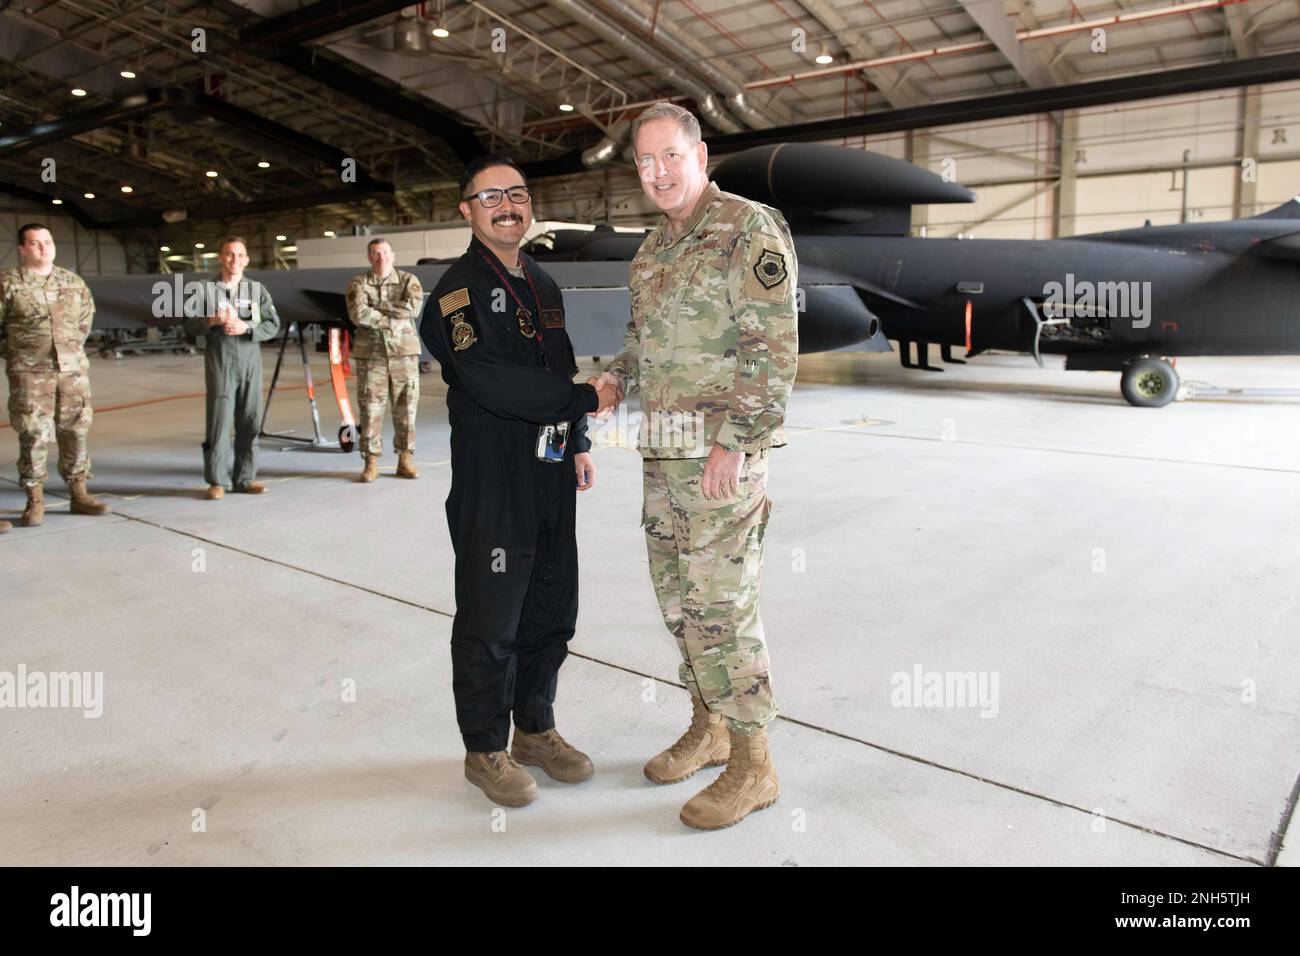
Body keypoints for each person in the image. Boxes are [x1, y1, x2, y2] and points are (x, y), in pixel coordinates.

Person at [590, 102, 799, 829]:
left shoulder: (748, 228)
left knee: (722, 609)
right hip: (663, 455)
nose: (657, 173)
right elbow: (642, 346)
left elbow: (773, 346)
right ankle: (709, 727)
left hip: (720, 458)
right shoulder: (652, 252)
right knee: (680, 603)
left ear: (699, 154)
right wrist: (613, 380)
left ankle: (754, 765)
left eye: (669, 156)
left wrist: (736, 442)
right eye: (645, 162)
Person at [421, 153, 619, 808]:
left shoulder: (543, 283)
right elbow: (495, 382)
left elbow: (554, 370)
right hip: (494, 477)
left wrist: (578, 442)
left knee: (551, 607)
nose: (508, 205)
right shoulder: (455, 295)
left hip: (550, 466)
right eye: (491, 196)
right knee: (491, 614)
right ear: (467, 211)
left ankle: (535, 728)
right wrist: (587, 401)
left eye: (518, 193)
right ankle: (485, 748)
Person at [0, 223, 110, 526]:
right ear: (22, 249)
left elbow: (85, 321)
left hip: (72, 370)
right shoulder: (8, 283)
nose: (43, 248)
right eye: (35, 243)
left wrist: (69, 350)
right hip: (29, 372)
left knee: (75, 429)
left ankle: (79, 493)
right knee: (34, 432)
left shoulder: (72, 282)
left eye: (47, 241)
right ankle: (35, 500)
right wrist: (20, 354)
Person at [182, 236, 281, 499]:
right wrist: (210, 320)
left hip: (250, 360)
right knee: (219, 421)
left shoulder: (257, 291)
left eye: (239, 255)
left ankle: (245, 479)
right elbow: (188, 326)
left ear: (246, 260)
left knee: (250, 419)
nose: (234, 260)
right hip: (220, 361)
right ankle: (217, 481)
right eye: (229, 254)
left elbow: (272, 324)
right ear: (220, 257)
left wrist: (247, 327)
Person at [344, 238, 424, 482]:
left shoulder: (408, 281)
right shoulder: (359, 282)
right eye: (376, 253)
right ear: (369, 257)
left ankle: (405, 460)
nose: (382, 258)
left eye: (385, 253)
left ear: (393, 255)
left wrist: (377, 308)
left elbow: (413, 308)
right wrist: (391, 316)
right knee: (370, 409)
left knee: (406, 409)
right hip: (372, 356)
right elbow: (358, 313)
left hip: (404, 355)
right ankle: (371, 462)